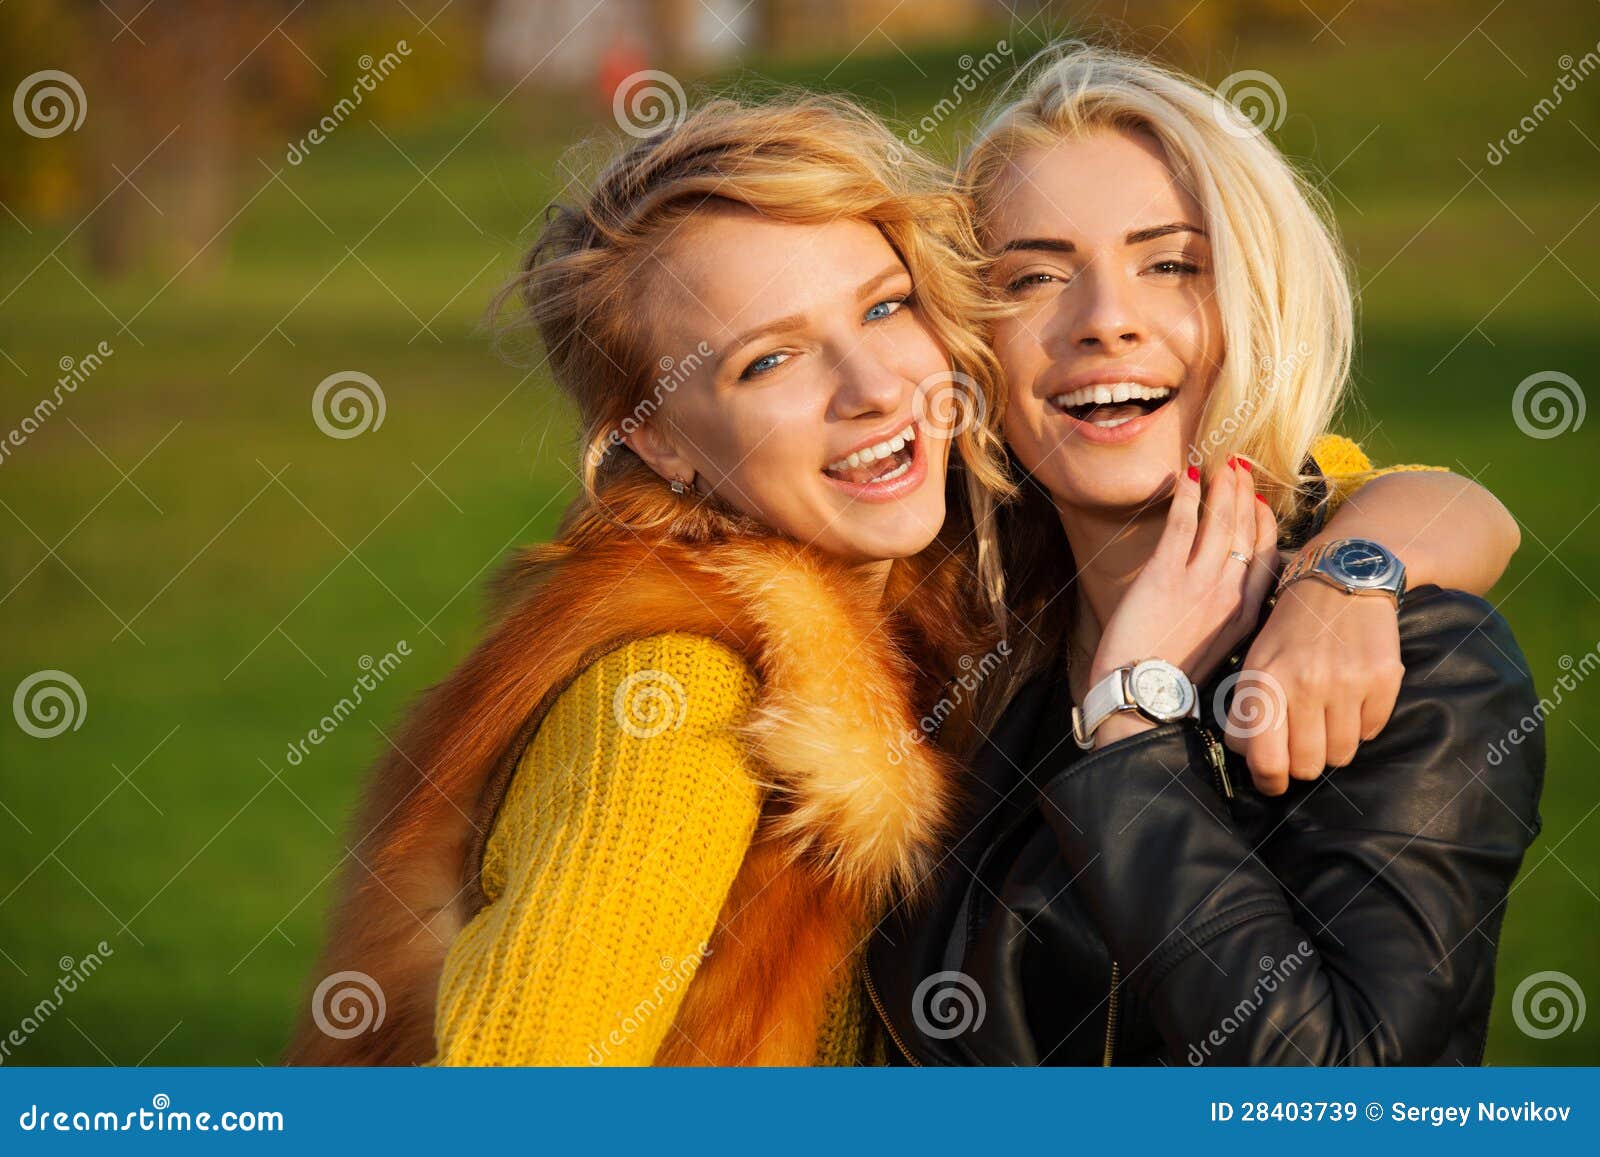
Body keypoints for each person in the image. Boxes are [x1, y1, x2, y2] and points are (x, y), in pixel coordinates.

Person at [865, 43, 1541, 1067]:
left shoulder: (1402, 662)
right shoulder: (951, 648)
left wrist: (1134, 731)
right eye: (1034, 276)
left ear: (1256, 301)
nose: (1105, 322)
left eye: (1171, 262)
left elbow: (1348, 1106)